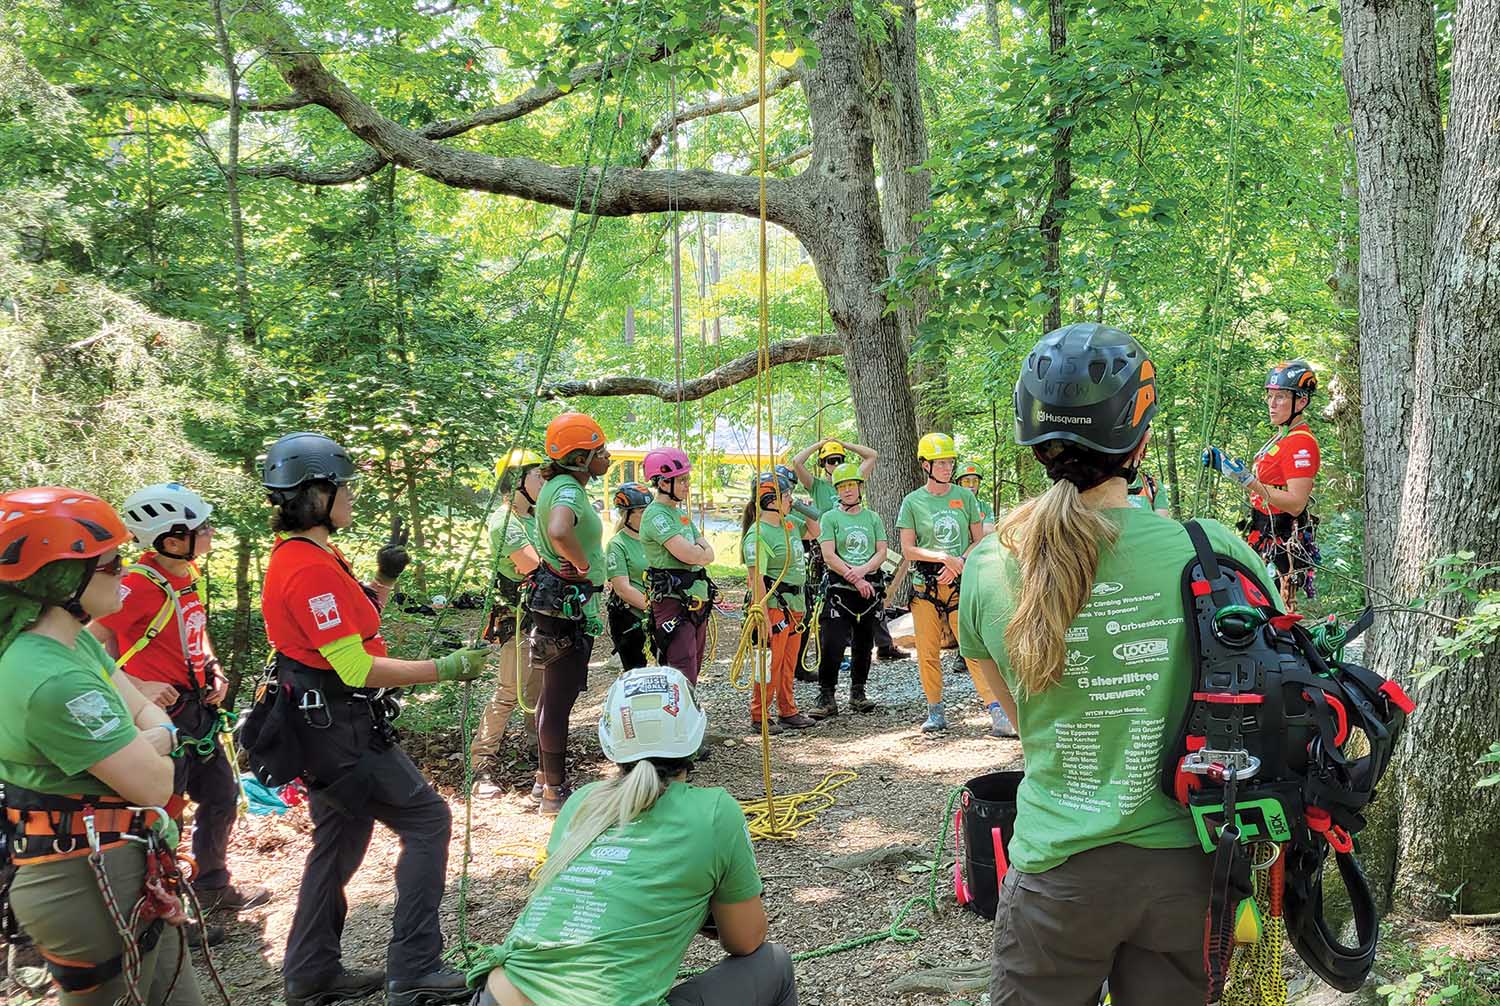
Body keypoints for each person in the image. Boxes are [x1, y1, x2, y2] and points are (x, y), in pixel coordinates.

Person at [957, 321, 1278, 1006]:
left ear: (1034, 437)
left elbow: (1020, 718)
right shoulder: (1213, 550)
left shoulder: (990, 567)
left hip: (1058, 874)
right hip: (1192, 868)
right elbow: (1269, 677)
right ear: (1138, 440)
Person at [258, 432, 489, 1006]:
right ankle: (414, 966)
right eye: (344, 486)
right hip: (340, 732)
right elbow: (355, 666)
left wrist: (383, 580)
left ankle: (311, 972)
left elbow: (345, 633)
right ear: (317, 494)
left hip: (323, 728)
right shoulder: (305, 568)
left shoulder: (313, 558)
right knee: (428, 820)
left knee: (338, 841)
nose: (351, 495)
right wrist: (445, 666)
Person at [464, 665, 797, 1006]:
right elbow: (746, 940)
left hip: (497, 994)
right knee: (774, 964)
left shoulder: (582, 802)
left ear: (611, 738)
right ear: (693, 732)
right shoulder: (715, 813)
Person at [0, 486, 206, 1005]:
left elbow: (142, 708)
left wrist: (151, 733)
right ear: (62, 577)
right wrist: (161, 736)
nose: (125, 573)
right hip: (84, 878)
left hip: (120, 862)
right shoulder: (54, 681)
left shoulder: (73, 641)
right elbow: (155, 781)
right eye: (111, 565)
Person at [88, 482, 269, 923]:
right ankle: (164, 907)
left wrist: (215, 665)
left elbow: (192, 628)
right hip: (161, 716)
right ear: (172, 539)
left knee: (222, 794)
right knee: (164, 811)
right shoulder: (135, 585)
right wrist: (135, 685)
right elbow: (88, 643)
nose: (209, 532)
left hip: (196, 709)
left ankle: (211, 885)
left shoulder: (184, 578)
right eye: (201, 526)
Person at [897, 433, 1014, 737]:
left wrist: (959, 561)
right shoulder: (913, 502)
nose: (948, 467)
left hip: (959, 583)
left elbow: (979, 540)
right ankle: (935, 712)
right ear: (926, 465)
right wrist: (943, 558)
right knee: (927, 651)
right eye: (941, 462)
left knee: (974, 648)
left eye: (950, 462)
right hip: (925, 586)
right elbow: (908, 549)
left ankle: (997, 710)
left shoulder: (965, 498)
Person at [530, 413, 612, 816]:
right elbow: (560, 530)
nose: (608, 457)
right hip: (567, 606)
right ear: (581, 458)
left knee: (552, 693)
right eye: (601, 451)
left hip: (559, 601)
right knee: (558, 698)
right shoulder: (567, 492)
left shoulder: (555, 486)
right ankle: (553, 793)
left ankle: (544, 780)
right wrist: (580, 565)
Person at [1203, 359, 1321, 607]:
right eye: (1269, 396)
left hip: (1282, 535)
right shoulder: (1281, 436)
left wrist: (1249, 482)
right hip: (1262, 528)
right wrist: (1223, 464)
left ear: (1301, 401)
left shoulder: (1301, 443)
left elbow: (1297, 504)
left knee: (1275, 604)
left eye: (1280, 397)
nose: (1272, 404)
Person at [472, 450, 545, 800]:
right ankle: (481, 763)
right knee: (509, 690)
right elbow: (535, 565)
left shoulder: (535, 518)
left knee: (537, 688)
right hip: (516, 616)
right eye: (537, 477)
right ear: (517, 481)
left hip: (541, 613)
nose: (543, 483)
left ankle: (539, 749)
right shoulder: (505, 521)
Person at [808, 462, 888, 719]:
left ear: (860, 487)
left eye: (851, 485)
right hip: (840, 588)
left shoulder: (872, 518)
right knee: (832, 642)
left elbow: (881, 551)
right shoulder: (830, 518)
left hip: (868, 588)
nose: (847, 490)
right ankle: (827, 694)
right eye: (842, 486)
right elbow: (829, 555)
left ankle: (858, 692)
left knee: (864, 642)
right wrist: (854, 576)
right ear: (837, 490)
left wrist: (862, 574)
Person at [741, 472, 819, 735]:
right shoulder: (758, 536)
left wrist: (799, 505)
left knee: (789, 661)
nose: (790, 500)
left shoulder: (789, 524)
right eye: (786, 496)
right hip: (775, 606)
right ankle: (759, 713)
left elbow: (815, 529)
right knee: (770, 662)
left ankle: (788, 710)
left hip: (796, 604)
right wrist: (762, 617)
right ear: (769, 499)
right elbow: (757, 580)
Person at [638, 448, 716, 684]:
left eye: (687, 479)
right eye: (681, 480)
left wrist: (698, 554)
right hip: (674, 601)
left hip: (695, 599)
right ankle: (679, 716)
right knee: (681, 666)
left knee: (694, 663)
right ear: (663, 482)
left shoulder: (680, 515)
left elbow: (708, 553)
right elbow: (690, 553)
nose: (686, 485)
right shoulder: (656, 516)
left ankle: (688, 714)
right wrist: (697, 554)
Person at [605, 482, 652, 673]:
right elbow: (623, 588)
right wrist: (654, 609)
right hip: (631, 618)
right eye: (642, 511)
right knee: (636, 674)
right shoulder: (617, 545)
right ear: (627, 515)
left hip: (660, 615)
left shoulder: (656, 540)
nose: (647, 515)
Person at [789, 438, 877, 516]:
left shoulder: (853, 480)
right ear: (823, 463)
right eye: (832, 461)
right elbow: (796, 462)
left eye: (839, 460)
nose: (836, 464)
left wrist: (843, 444)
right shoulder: (816, 486)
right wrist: (819, 445)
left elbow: (872, 455)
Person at [955, 463, 997, 536]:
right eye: (966, 482)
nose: (971, 485)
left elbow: (989, 531)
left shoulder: (985, 507)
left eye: (975, 481)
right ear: (959, 483)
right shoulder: (951, 505)